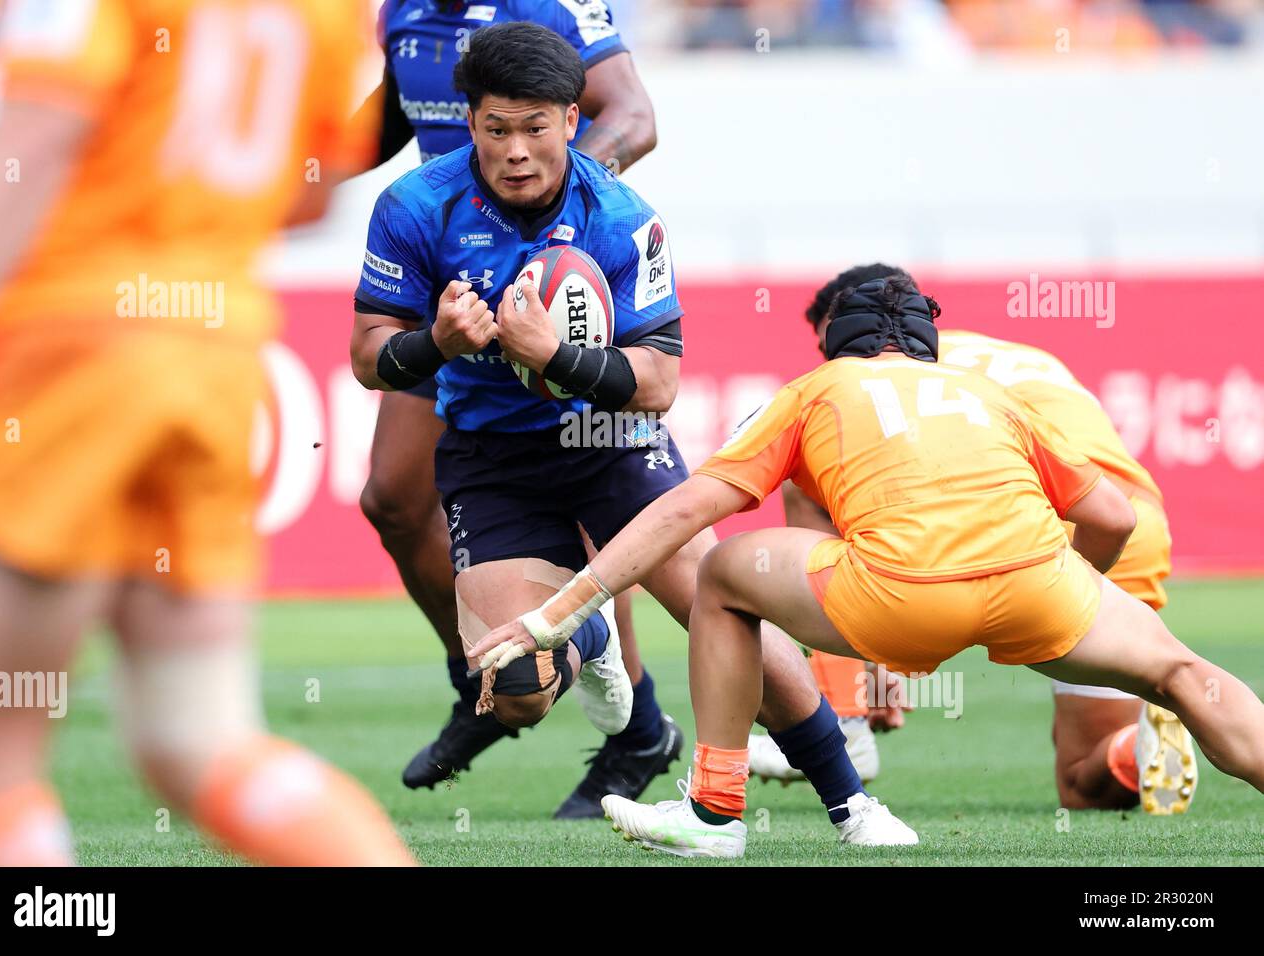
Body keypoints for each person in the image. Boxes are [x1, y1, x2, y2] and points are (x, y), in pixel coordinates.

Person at [471, 275, 1264, 859]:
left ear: (832, 342)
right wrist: (1065, 594)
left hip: (896, 600)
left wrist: (553, 615)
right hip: (1039, 582)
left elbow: (682, 513)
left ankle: (714, 814)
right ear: (930, 338)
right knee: (1184, 675)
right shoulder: (988, 393)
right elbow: (1114, 517)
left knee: (721, 576)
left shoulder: (816, 389)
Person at [350, 24, 914, 840]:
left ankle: (853, 805)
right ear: (468, 121)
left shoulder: (623, 218)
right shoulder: (412, 206)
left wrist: (558, 356)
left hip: (613, 445)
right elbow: (369, 360)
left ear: (572, 120)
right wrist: (432, 344)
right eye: (496, 128)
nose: (516, 150)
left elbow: (657, 383)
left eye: (536, 127)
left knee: (726, 604)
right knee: (514, 687)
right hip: (490, 460)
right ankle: (591, 632)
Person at [0, 0, 414, 866]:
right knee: (198, 739)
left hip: (70, 350)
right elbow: (312, 189)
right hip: (214, 348)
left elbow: (36, 142)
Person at [352, 0, 666, 808]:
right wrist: (291, 162)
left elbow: (632, 115)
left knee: (589, 498)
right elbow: (394, 115)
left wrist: (550, 232)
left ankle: (637, 724)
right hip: (450, 278)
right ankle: (485, 672)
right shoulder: (403, 10)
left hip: (545, 284)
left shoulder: (548, 8)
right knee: (391, 497)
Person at [754, 263, 1193, 815]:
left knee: (806, 487)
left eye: (831, 346)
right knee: (1084, 778)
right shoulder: (1018, 356)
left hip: (1028, 533)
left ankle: (845, 719)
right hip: (1130, 523)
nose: (830, 365)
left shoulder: (886, 380)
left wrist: (877, 649)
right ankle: (1138, 746)